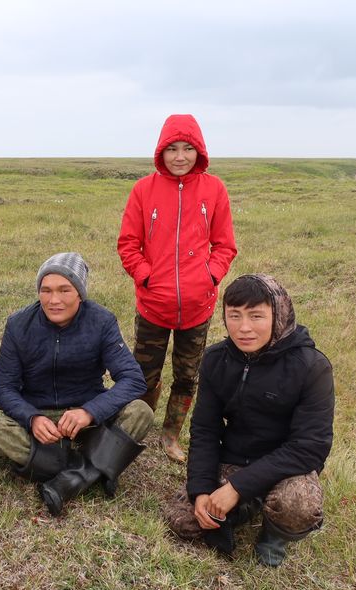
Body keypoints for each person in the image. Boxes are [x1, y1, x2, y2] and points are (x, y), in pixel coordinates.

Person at [162, 274, 334, 567]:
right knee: (182, 521)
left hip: (288, 468)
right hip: (234, 460)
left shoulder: (312, 367)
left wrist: (235, 488)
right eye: (234, 316)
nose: (244, 328)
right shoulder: (217, 359)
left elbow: (309, 447)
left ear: (278, 315)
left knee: (298, 507)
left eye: (256, 316)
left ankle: (275, 533)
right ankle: (242, 509)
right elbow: (205, 430)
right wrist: (202, 490)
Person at [0, 253, 153, 517]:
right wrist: (32, 418)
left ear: (80, 293)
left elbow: (133, 379)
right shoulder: (18, 325)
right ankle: (94, 465)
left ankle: (63, 472)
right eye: (46, 290)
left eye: (65, 290)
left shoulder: (101, 321)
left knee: (141, 411)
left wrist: (89, 412)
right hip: (43, 421)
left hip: (88, 418)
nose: (54, 300)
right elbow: (3, 387)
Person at [117, 114, 238, 464]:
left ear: (198, 151)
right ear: (161, 151)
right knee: (143, 375)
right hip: (154, 305)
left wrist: (209, 278)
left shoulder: (214, 190)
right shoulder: (143, 190)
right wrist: (147, 277)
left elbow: (225, 245)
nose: (180, 156)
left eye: (187, 148)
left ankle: (170, 435)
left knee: (187, 376)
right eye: (172, 149)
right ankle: (136, 431)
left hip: (198, 307)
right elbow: (128, 244)